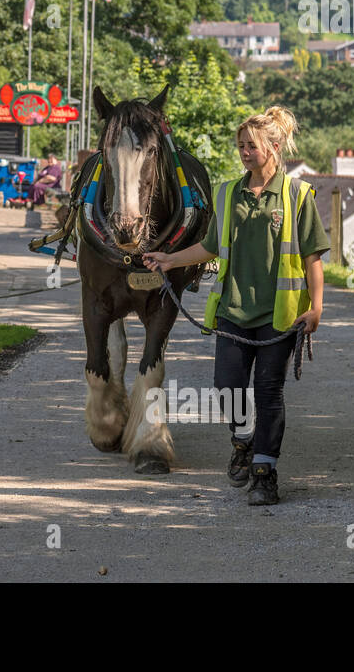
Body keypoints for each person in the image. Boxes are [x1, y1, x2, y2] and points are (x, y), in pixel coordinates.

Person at [140, 106, 329, 507]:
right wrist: (169, 259)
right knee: (228, 391)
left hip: (280, 315)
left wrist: (316, 309)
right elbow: (210, 247)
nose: (244, 151)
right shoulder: (226, 193)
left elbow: (314, 257)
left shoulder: (297, 195)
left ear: (274, 148)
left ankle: (264, 472)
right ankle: (243, 441)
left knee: (268, 392)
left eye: (251, 145)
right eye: (240, 145)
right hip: (232, 311)